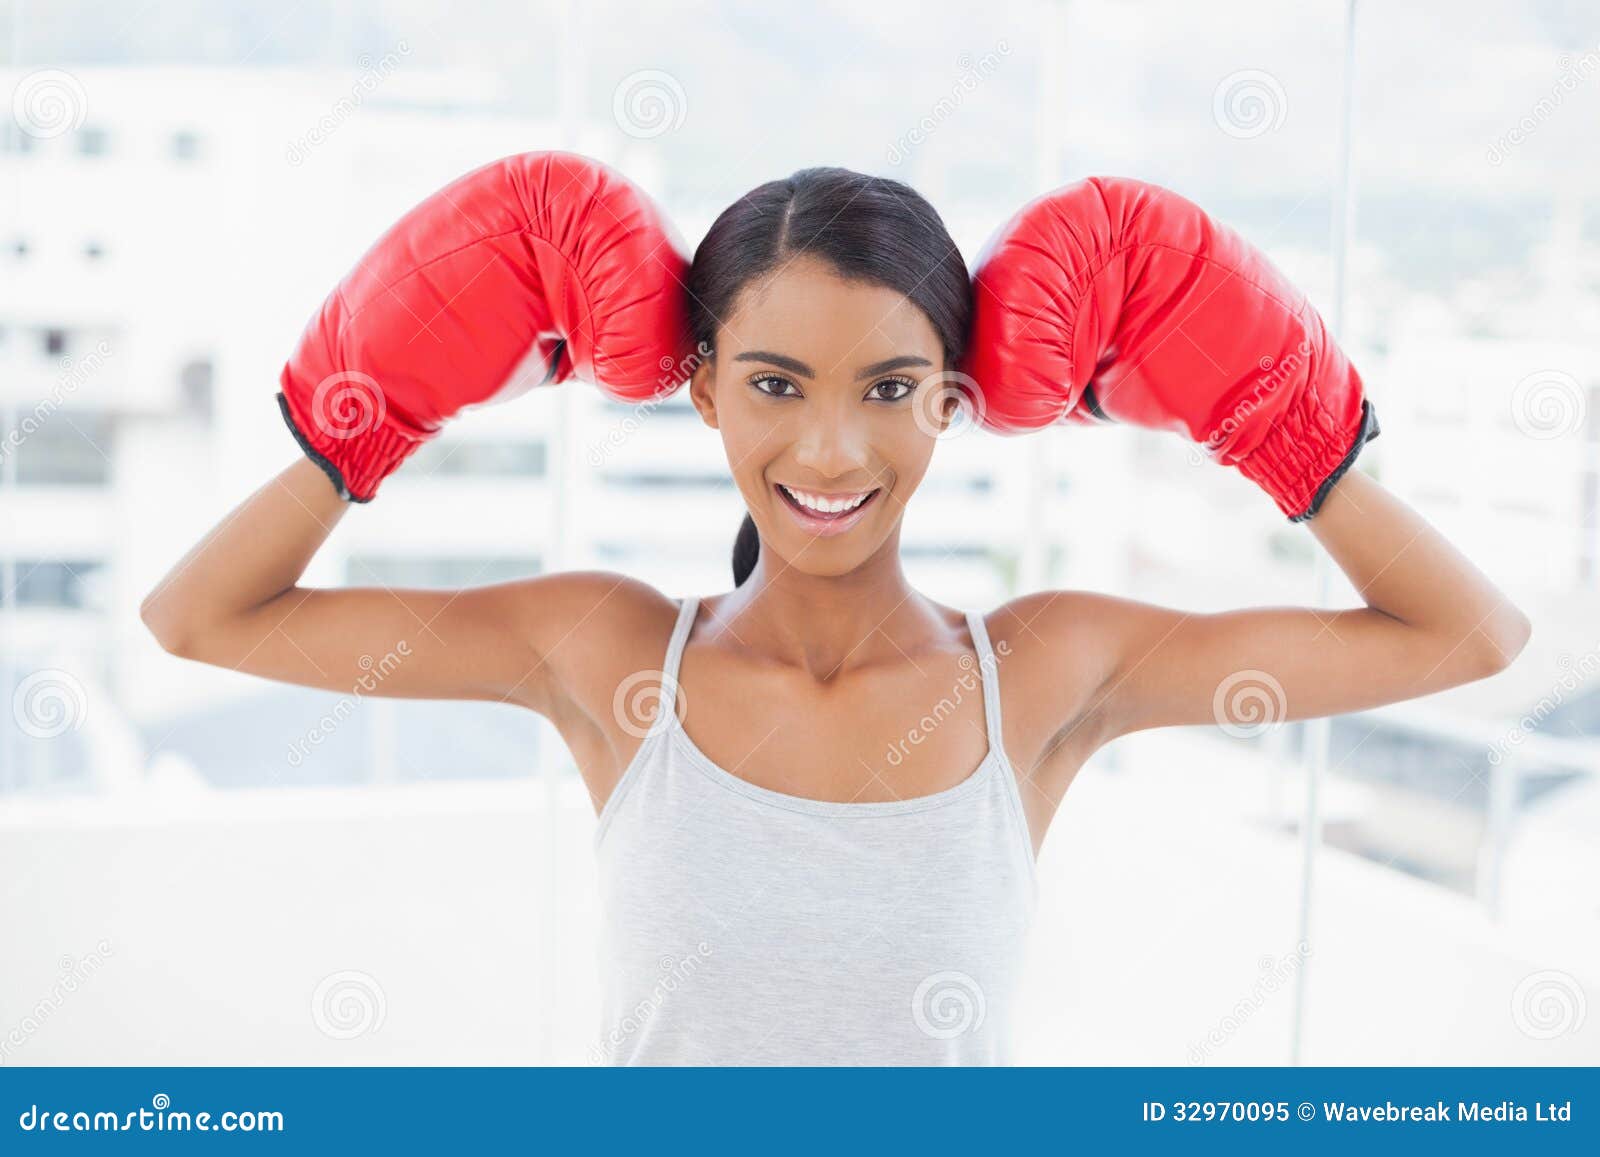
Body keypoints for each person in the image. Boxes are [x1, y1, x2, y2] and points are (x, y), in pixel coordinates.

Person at [141, 152, 1531, 1065]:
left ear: (951, 401)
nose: (829, 452)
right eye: (775, 383)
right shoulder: (607, 652)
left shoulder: (1042, 672)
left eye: (886, 388)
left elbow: (1467, 636)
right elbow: (200, 616)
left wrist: (1292, 433)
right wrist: (361, 419)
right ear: (700, 389)